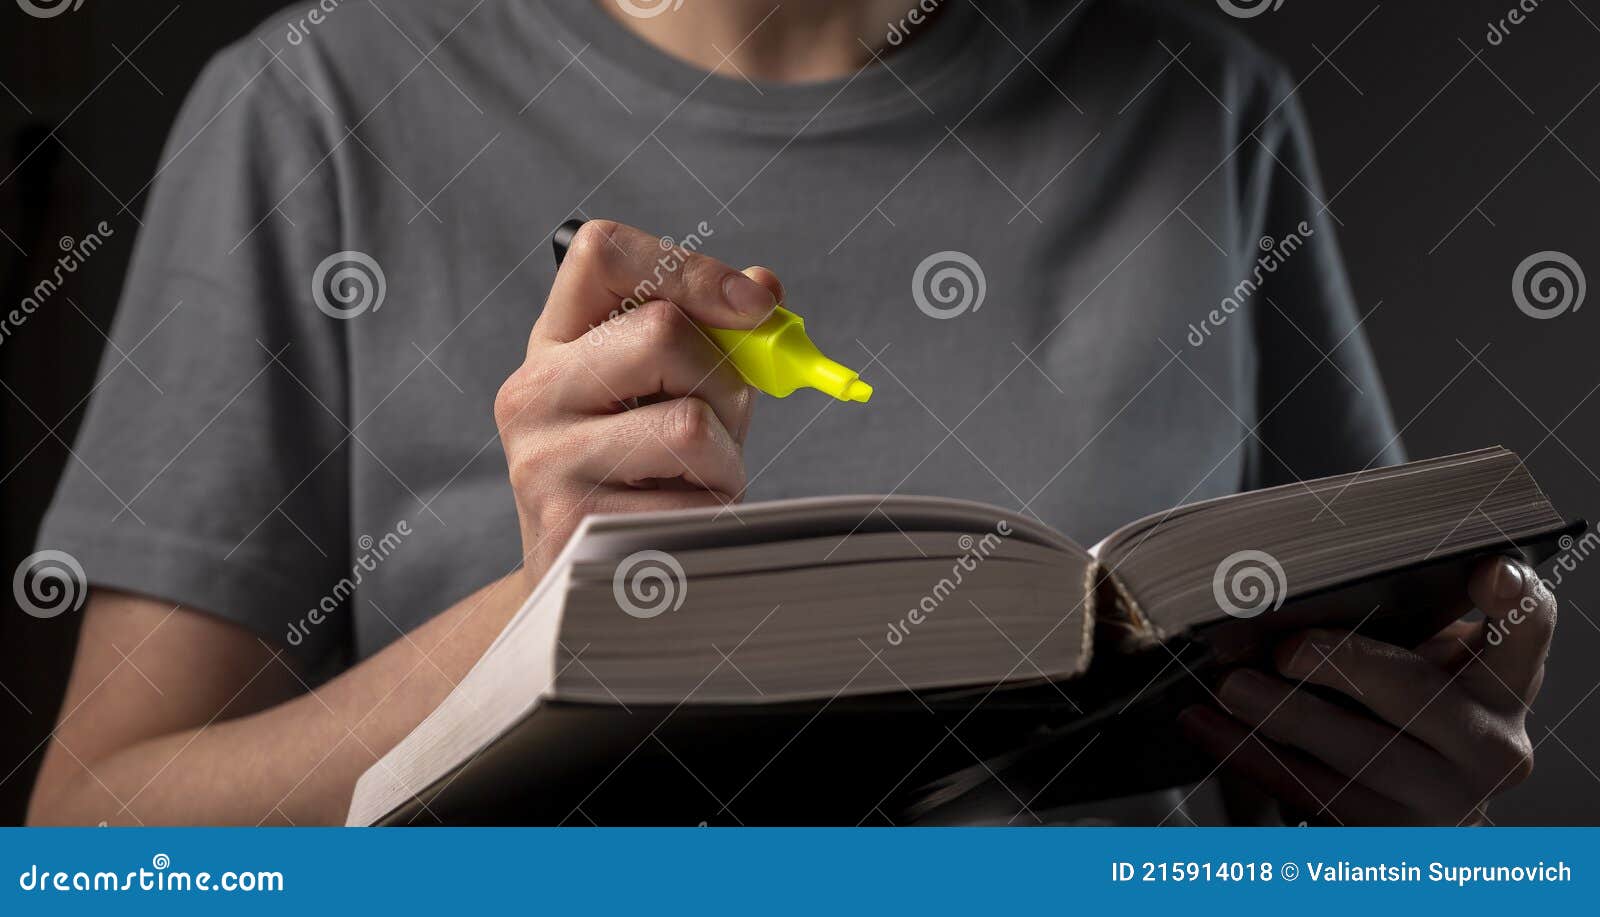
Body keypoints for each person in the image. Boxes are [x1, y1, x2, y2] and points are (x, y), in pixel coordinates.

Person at [27, 0, 1551, 826]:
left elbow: (1352, 754)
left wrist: (1409, 817)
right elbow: (101, 846)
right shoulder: (311, 105)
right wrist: (547, 633)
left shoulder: (1205, 103)